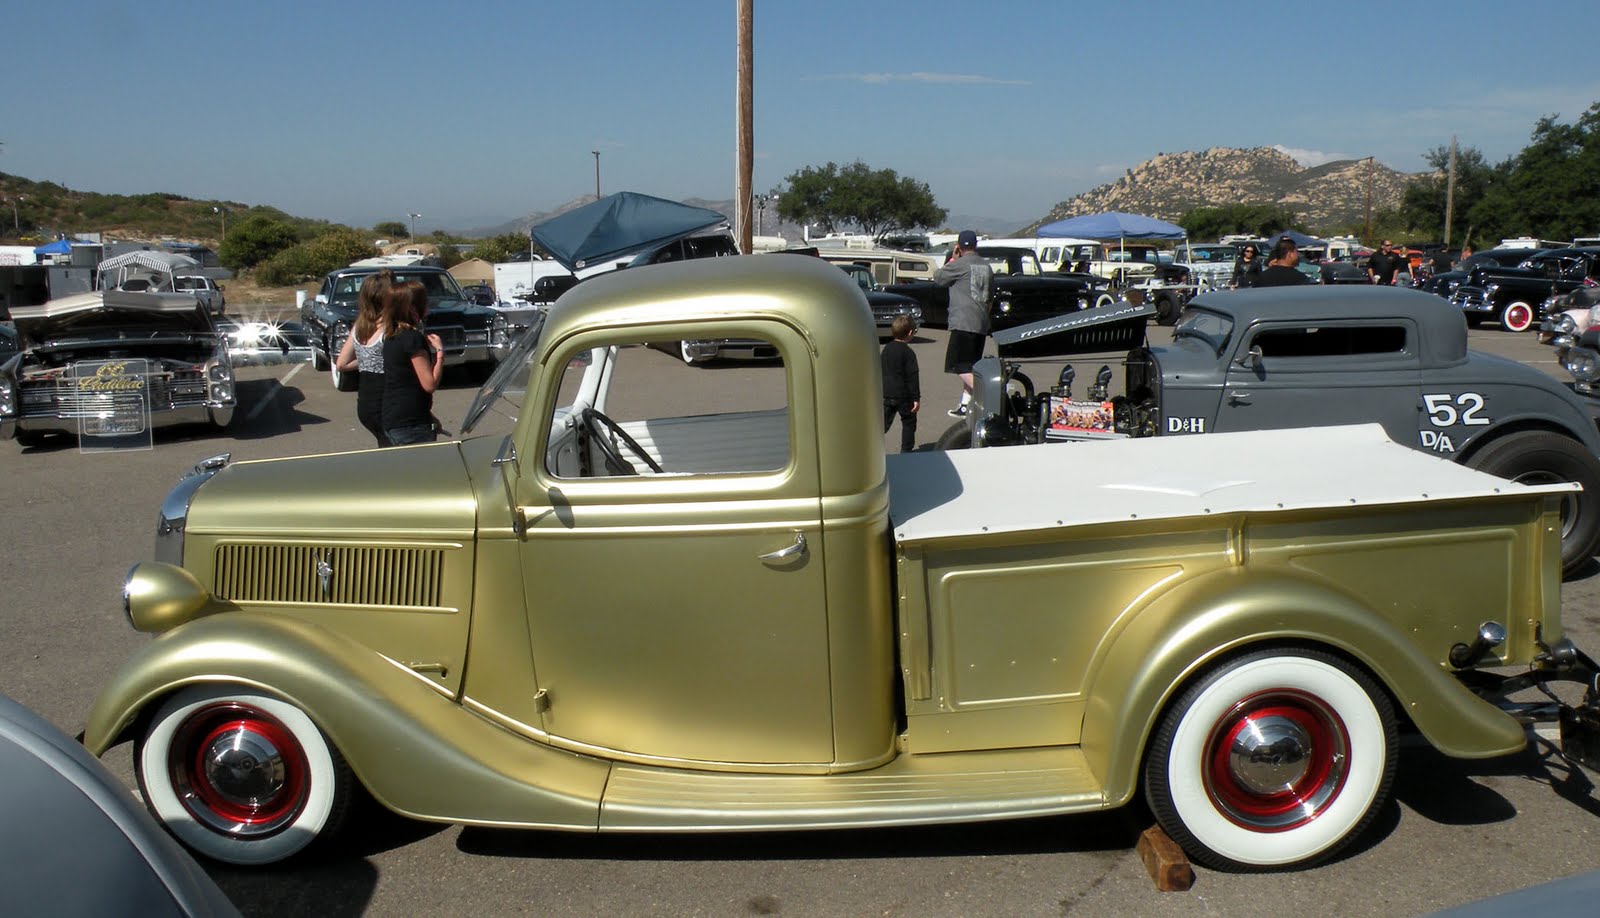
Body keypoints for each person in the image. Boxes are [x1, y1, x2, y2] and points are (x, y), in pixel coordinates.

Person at [932, 230, 993, 418]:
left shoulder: (960, 265)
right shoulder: (986, 266)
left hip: (963, 322)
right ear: (976, 245)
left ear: (959, 245)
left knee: (958, 366)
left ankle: (992, 394)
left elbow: (938, 277)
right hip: (980, 322)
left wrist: (952, 258)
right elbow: (990, 297)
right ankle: (965, 405)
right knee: (971, 366)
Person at [380, 280, 445, 446]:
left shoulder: (391, 337)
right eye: (424, 301)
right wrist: (439, 353)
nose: (428, 304)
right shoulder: (412, 338)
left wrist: (429, 417)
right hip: (410, 425)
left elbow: (405, 380)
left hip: (398, 417)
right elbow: (429, 384)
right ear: (412, 307)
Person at [334, 270, 393, 447]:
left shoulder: (360, 326)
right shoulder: (389, 328)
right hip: (386, 400)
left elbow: (341, 364)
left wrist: (367, 360)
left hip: (366, 400)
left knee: (384, 444)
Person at [880, 315, 920, 453]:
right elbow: (912, 376)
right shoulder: (908, 353)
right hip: (904, 395)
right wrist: (916, 398)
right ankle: (906, 450)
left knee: (882, 423)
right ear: (909, 333)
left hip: (886, 393)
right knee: (909, 422)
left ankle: (871, 446)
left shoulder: (886, 349)